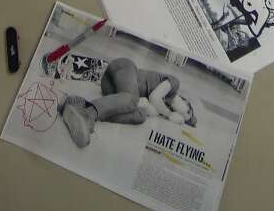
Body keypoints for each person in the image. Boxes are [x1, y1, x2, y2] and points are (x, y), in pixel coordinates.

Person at [58, 57, 197, 148]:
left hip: (113, 92)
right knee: (131, 99)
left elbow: (146, 107)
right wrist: (168, 114)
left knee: (139, 116)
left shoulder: (161, 106)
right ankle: (87, 115)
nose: (178, 117)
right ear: (187, 105)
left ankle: (78, 104)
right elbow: (155, 97)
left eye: (181, 121)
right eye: (184, 114)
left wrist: (155, 110)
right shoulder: (174, 85)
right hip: (124, 68)